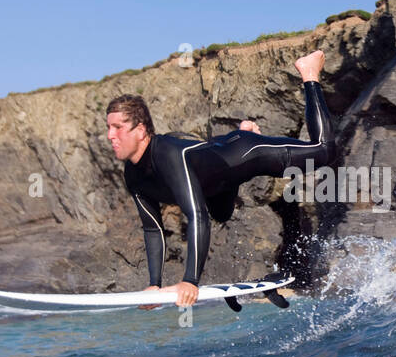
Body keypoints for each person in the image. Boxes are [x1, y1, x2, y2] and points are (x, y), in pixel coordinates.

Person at [106, 49, 337, 307]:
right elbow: (152, 228)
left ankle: (309, 73)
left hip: (245, 152)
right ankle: (242, 130)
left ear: (140, 131)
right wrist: (154, 284)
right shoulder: (133, 174)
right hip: (215, 178)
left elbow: (197, 215)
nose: (110, 136)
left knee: (324, 150)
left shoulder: (168, 155)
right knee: (222, 213)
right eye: (108, 128)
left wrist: (190, 281)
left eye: (117, 128)